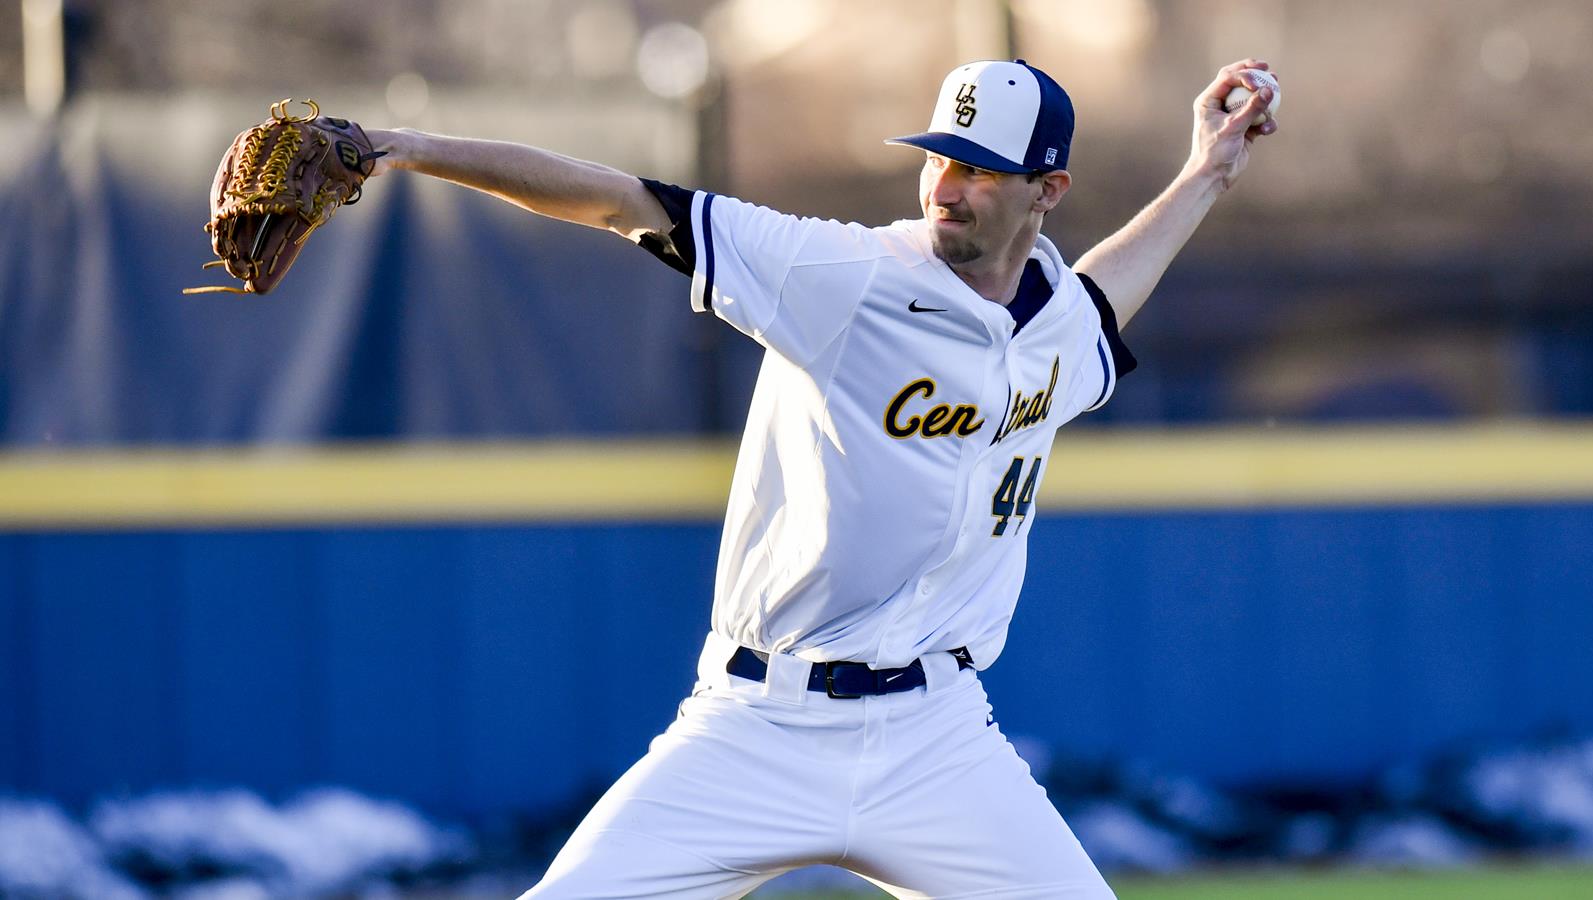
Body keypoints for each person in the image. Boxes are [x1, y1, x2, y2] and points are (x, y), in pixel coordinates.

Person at [365, 57, 1278, 898]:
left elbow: (1104, 297)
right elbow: (619, 201)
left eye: (981, 170)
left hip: (939, 738)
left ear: (1049, 190)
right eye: (940, 159)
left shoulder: (1058, 325)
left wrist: (1208, 173)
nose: (947, 188)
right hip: (759, 723)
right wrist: (400, 148)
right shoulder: (843, 275)